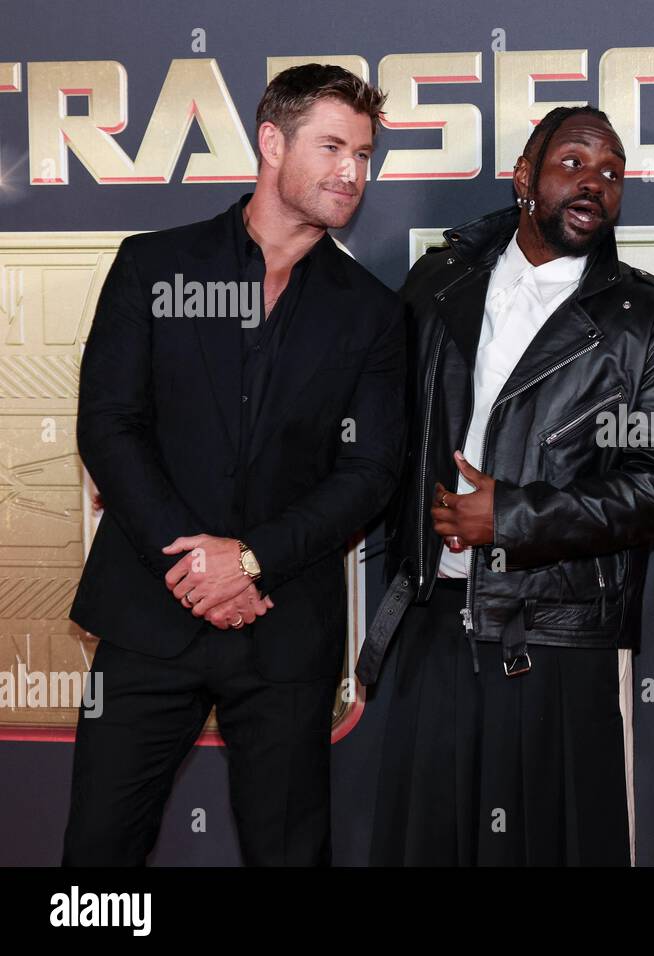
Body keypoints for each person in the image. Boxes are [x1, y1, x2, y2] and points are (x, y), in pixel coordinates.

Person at [63, 65, 404, 866]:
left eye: (363, 153)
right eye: (331, 147)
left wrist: (249, 562)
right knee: (97, 856)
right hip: (150, 612)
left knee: (291, 854)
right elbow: (109, 426)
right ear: (270, 141)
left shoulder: (373, 312)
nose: (352, 171)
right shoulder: (153, 266)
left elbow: (370, 472)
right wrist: (195, 562)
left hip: (283, 628)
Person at [361, 105, 654, 866]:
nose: (595, 183)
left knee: (549, 845)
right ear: (525, 176)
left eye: (612, 173)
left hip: (556, 630)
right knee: (428, 845)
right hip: (432, 616)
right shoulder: (438, 280)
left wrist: (513, 516)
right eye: (575, 163)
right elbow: (381, 431)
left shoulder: (653, 320)